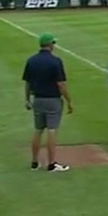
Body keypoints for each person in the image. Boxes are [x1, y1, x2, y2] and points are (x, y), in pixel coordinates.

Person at [22, 33, 74, 171]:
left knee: (38, 130)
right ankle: (51, 163)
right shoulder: (55, 61)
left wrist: (27, 99)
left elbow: (27, 83)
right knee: (52, 131)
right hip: (52, 100)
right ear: (50, 45)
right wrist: (69, 101)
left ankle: (34, 162)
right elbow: (61, 84)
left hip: (37, 99)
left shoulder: (31, 60)